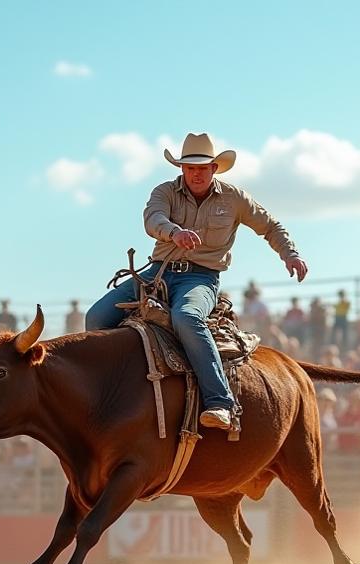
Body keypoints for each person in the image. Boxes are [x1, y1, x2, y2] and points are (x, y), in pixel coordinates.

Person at [85, 133, 306, 430]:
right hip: (157, 273)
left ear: (214, 168)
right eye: (190, 168)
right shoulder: (164, 192)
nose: (196, 173)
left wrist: (289, 254)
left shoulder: (234, 199)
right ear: (181, 169)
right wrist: (174, 232)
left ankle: (221, 401)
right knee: (96, 317)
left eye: (202, 167)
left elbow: (269, 225)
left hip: (200, 278)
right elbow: (153, 218)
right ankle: (108, 393)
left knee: (187, 317)